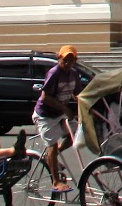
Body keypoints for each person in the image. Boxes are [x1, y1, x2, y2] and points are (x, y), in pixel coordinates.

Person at [33, 46, 84, 193]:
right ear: (59, 58)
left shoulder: (73, 74)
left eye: (71, 60)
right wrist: (65, 109)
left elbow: (77, 94)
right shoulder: (54, 73)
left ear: (75, 60)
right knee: (52, 145)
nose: (68, 63)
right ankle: (55, 182)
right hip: (45, 115)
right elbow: (45, 96)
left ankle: (54, 156)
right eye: (65, 60)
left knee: (76, 136)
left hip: (59, 114)